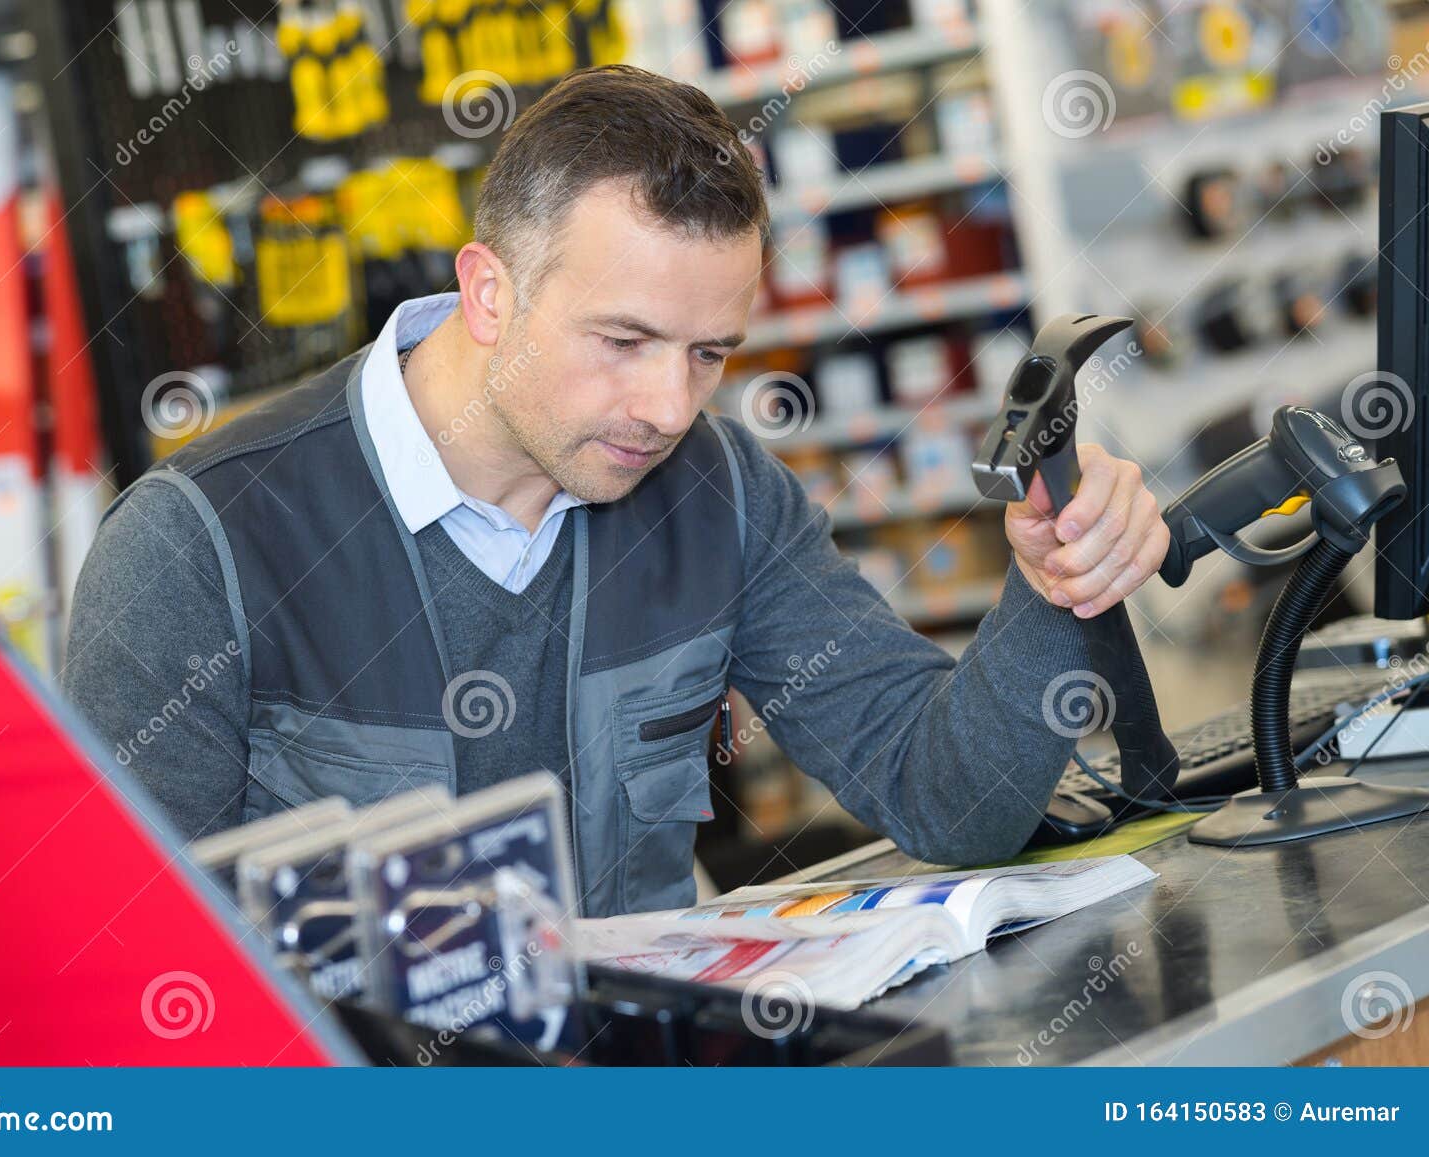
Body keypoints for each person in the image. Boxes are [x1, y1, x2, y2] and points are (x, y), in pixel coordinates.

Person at [64, 66, 1170, 917]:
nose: (668, 407)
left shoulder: (720, 495)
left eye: (708, 352)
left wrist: (1053, 577)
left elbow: (946, 796)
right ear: (488, 293)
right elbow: (134, 975)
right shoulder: (198, 548)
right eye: (624, 340)